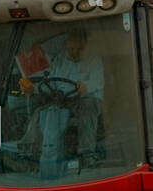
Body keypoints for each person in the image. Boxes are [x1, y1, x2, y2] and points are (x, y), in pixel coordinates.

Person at [17, 26, 104, 169]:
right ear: (66, 46)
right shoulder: (60, 59)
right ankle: (27, 149)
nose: (75, 53)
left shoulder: (94, 60)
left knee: (87, 108)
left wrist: (86, 86)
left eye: (79, 49)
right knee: (41, 111)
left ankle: (87, 153)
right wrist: (34, 89)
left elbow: (98, 81)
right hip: (64, 99)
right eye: (72, 49)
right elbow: (51, 80)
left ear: (85, 46)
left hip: (86, 99)